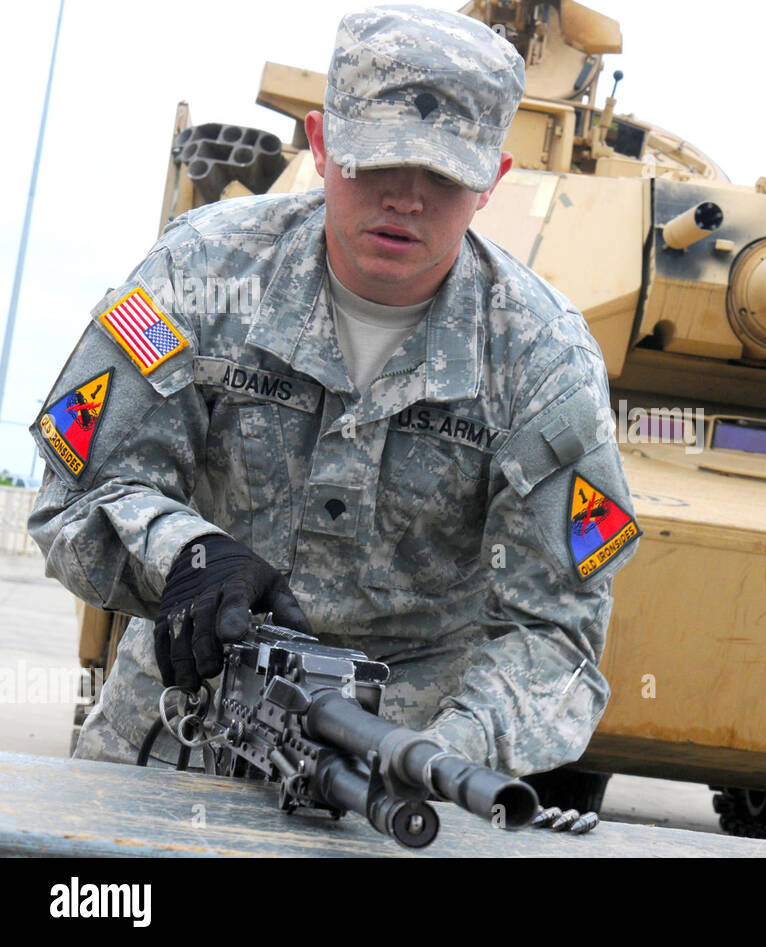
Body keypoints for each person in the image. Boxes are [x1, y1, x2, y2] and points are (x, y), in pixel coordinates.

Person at [28, 4, 639, 778]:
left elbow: (557, 635)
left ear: (494, 182)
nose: (407, 197)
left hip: (396, 785)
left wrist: (446, 752)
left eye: (446, 172)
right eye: (376, 161)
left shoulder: (545, 362)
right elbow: (76, 496)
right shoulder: (198, 276)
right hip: (176, 731)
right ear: (321, 144)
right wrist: (189, 553)